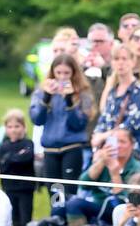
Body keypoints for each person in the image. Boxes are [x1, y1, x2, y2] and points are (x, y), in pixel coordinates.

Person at [30, 52, 95, 212]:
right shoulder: (41, 92)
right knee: (54, 194)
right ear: (53, 73)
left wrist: (69, 99)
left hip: (71, 148)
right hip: (50, 149)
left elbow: (79, 124)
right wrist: (46, 97)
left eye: (66, 73)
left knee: (69, 193)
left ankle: (69, 225)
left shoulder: (83, 93)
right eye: (58, 73)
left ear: (74, 73)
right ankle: (55, 225)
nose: (62, 77)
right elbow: (37, 119)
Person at [66, 127, 140, 226]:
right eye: (115, 141)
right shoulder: (105, 160)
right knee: (60, 208)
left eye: (122, 142)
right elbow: (83, 184)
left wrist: (115, 174)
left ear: (131, 145)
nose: (118, 145)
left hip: (119, 210)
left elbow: (125, 200)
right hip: (97, 204)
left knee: (74, 205)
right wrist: (101, 161)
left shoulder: (136, 167)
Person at [93, 44, 140, 164]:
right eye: (116, 59)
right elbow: (103, 120)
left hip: (132, 154)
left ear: (132, 62)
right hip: (109, 152)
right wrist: (97, 136)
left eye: (124, 59)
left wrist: (102, 136)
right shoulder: (113, 92)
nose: (120, 63)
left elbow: (131, 125)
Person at [0, 110, 36, 226]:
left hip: (25, 188)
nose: (13, 130)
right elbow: (1, 164)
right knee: (15, 218)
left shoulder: (28, 143)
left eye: (17, 126)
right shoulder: (4, 146)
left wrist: (10, 158)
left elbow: (25, 159)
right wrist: (13, 158)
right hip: (10, 187)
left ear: (24, 127)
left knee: (26, 218)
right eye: (10, 126)